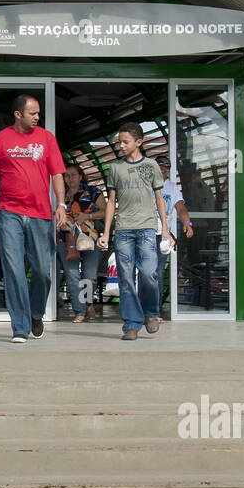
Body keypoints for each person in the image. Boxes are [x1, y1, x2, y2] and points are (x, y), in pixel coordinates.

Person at [0, 94, 66, 343]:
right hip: (9, 213)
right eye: (33, 113)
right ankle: (19, 326)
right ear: (18, 114)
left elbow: (58, 173)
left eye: (38, 113)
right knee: (14, 270)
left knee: (42, 271)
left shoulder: (47, 138)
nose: (37, 117)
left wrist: (61, 203)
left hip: (40, 214)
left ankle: (35, 313)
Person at [98, 123, 169, 341]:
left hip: (147, 228)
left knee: (149, 273)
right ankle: (131, 323)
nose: (120, 145)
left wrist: (165, 228)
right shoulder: (115, 168)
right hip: (123, 231)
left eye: (125, 141)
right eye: (119, 141)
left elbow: (159, 199)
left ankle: (150, 313)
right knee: (126, 278)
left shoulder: (151, 166)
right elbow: (111, 201)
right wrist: (106, 232)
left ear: (139, 142)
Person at [56, 163, 105, 322]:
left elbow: (106, 211)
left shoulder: (92, 191)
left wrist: (88, 216)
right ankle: (80, 311)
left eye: (73, 175)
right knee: (72, 275)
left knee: (89, 276)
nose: (70, 178)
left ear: (80, 176)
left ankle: (88, 301)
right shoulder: (60, 194)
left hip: (89, 238)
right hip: (66, 239)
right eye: (67, 175)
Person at [153, 154, 194, 323]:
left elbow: (180, 207)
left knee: (158, 273)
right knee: (145, 272)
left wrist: (187, 222)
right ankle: (142, 309)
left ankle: (154, 311)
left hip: (163, 235)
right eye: (160, 166)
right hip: (145, 234)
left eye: (166, 167)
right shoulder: (144, 184)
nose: (163, 169)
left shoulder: (171, 187)